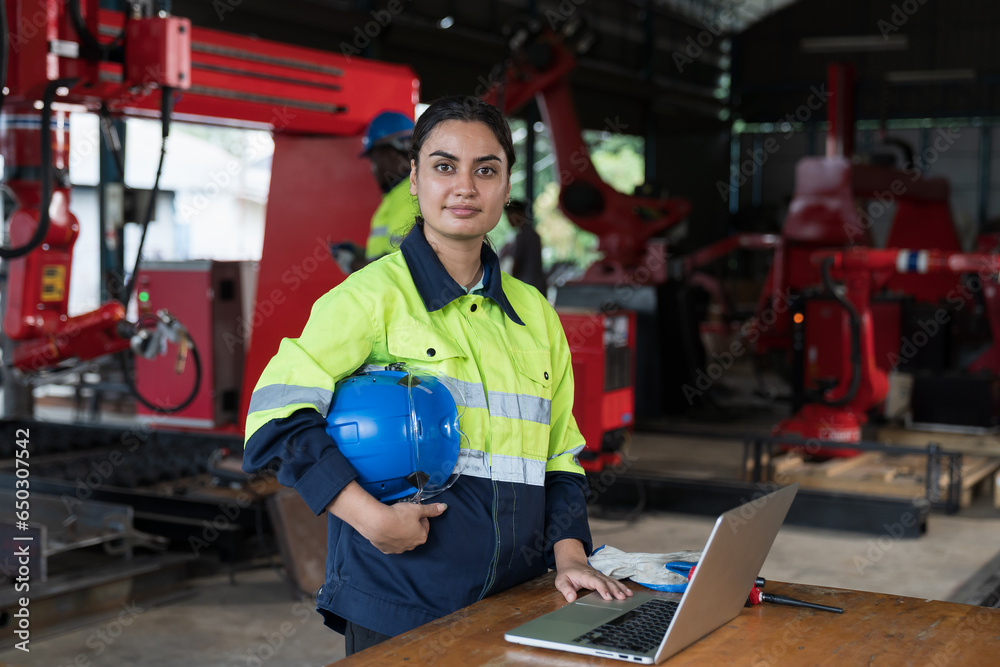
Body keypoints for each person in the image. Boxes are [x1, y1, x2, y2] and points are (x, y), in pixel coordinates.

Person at [243, 95, 630, 656]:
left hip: (512, 599)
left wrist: (570, 556)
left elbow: (559, 456)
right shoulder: (369, 299)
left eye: (487, 169)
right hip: (400, 598)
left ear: (506, 186)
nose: (465, 187)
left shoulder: (535, 316)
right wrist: (368, 517)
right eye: (445, 167)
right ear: (415, 180)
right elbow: (274, 417)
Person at [331, 110, 419, 273]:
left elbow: (402, 265)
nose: (372, 169)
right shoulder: (398, 195)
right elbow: (391, 254)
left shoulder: (414, 194)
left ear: (392, 153)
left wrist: (354, 264)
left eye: (374, 159)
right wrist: (363, 255)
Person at [499, 199, 547, 294]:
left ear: (518, 214)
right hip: (538, 286)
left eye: (509, 216)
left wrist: (511, 284)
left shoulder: (522, 236)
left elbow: (516, 264)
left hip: (527, 287)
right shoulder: (534, 234)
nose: (508, 220)